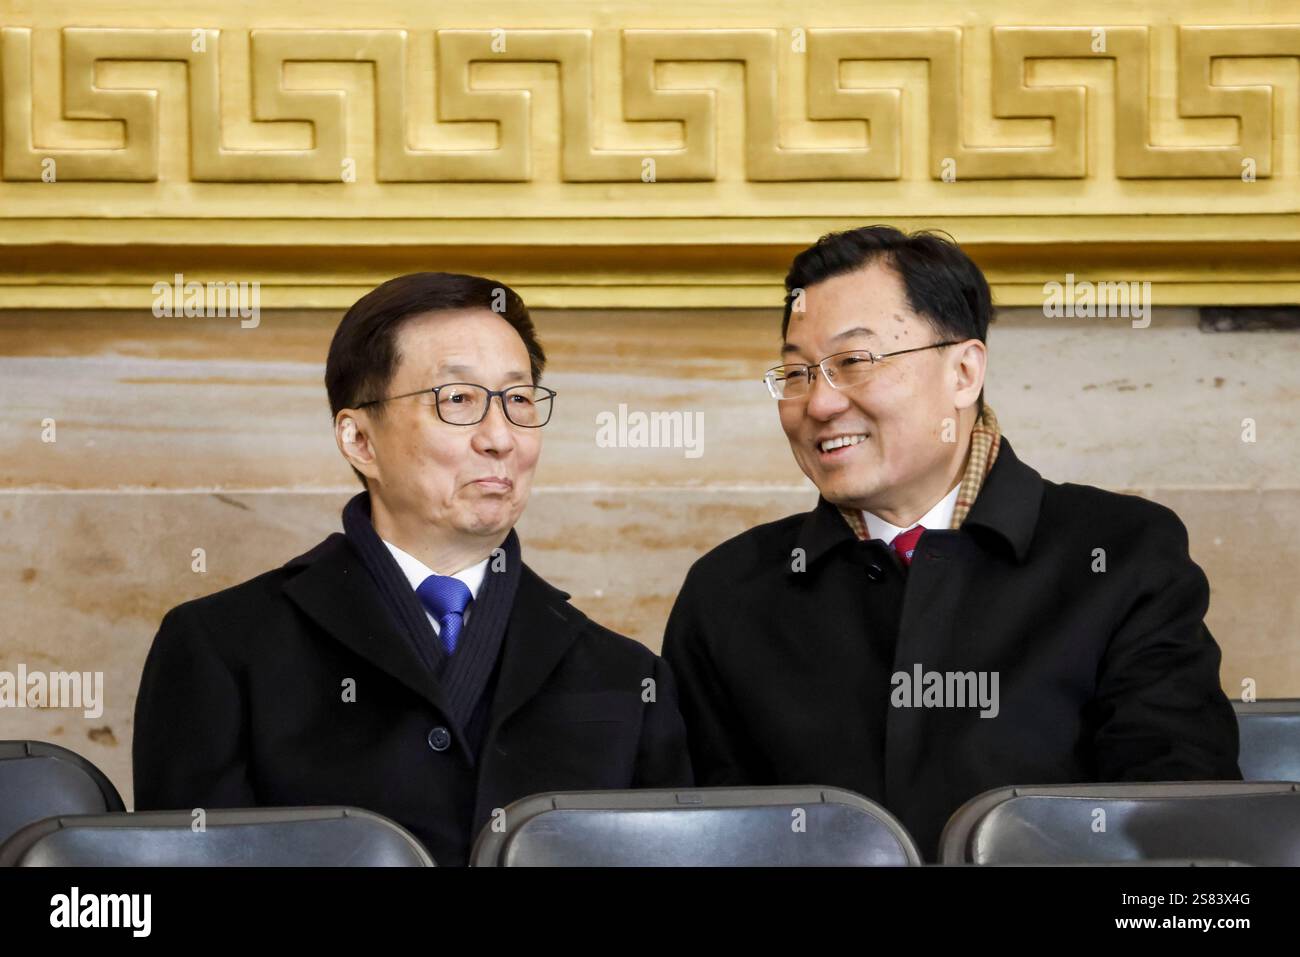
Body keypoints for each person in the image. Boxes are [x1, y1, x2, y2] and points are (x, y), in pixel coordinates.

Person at [662, 226, 1239, 860]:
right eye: (797, 373)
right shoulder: (729, 593)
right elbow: (696, 841)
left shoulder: (1122, 557)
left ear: (964, 372)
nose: (820, 403)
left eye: (854, 362)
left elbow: (1185, 835)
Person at [134, 272, 692, 865]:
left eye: (519, 399)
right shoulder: (221, 650)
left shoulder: (628, 677)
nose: (501, 437)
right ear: (359, 440)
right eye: (457, 400)